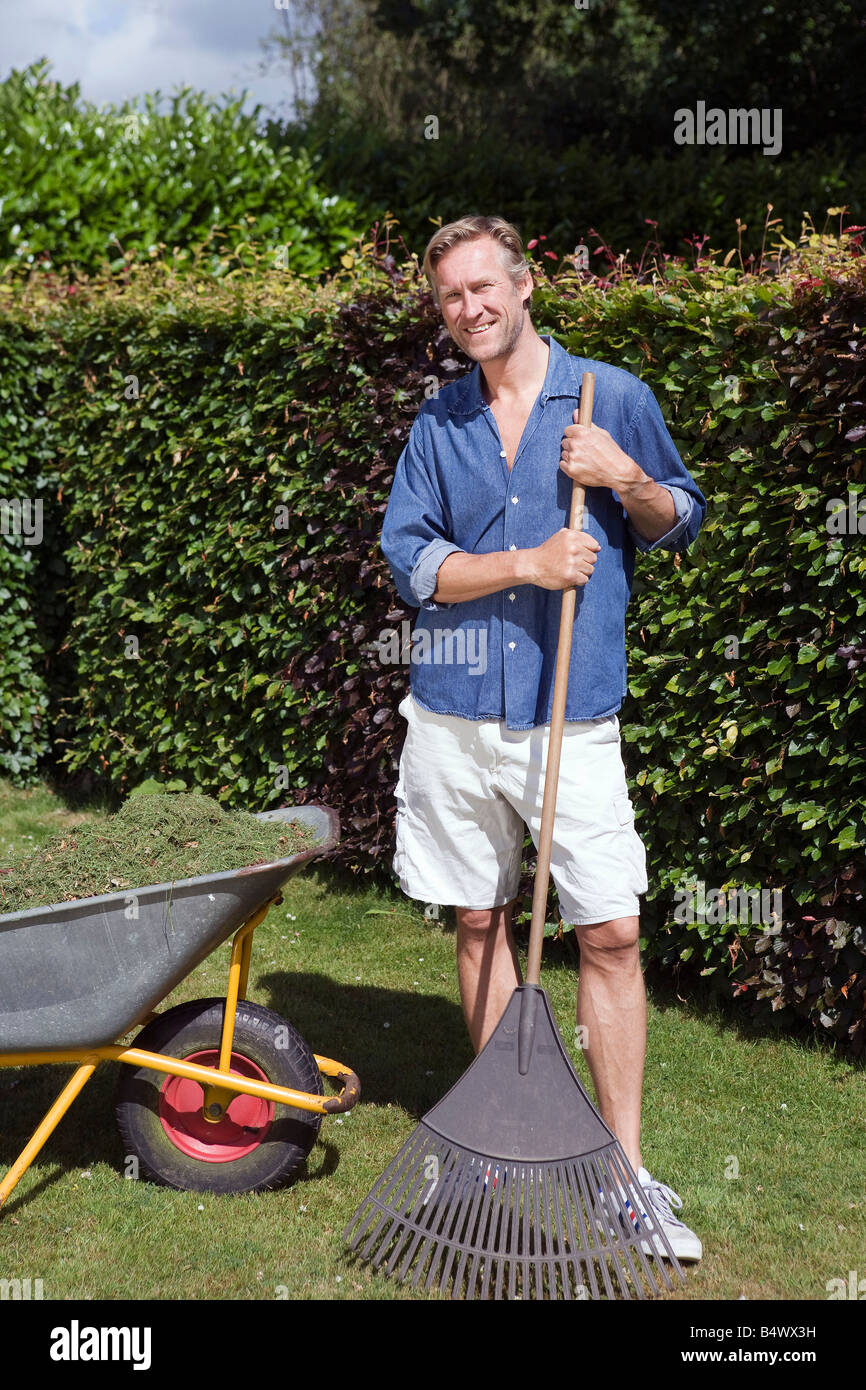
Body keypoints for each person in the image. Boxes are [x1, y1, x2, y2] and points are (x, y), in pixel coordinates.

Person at [380, 215, 707, 1261]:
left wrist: (624, 478)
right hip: (454, 715)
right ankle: (493, 1142)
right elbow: (411, 563)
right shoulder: (438, 423)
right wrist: (526, 562)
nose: (468, 309)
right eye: (449, 298)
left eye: (483, 288)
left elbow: (677, 519)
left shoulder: (610, 398)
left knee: (608, 929)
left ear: (525, 286)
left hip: (572, 712)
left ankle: (623, 1176)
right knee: (476, 922)